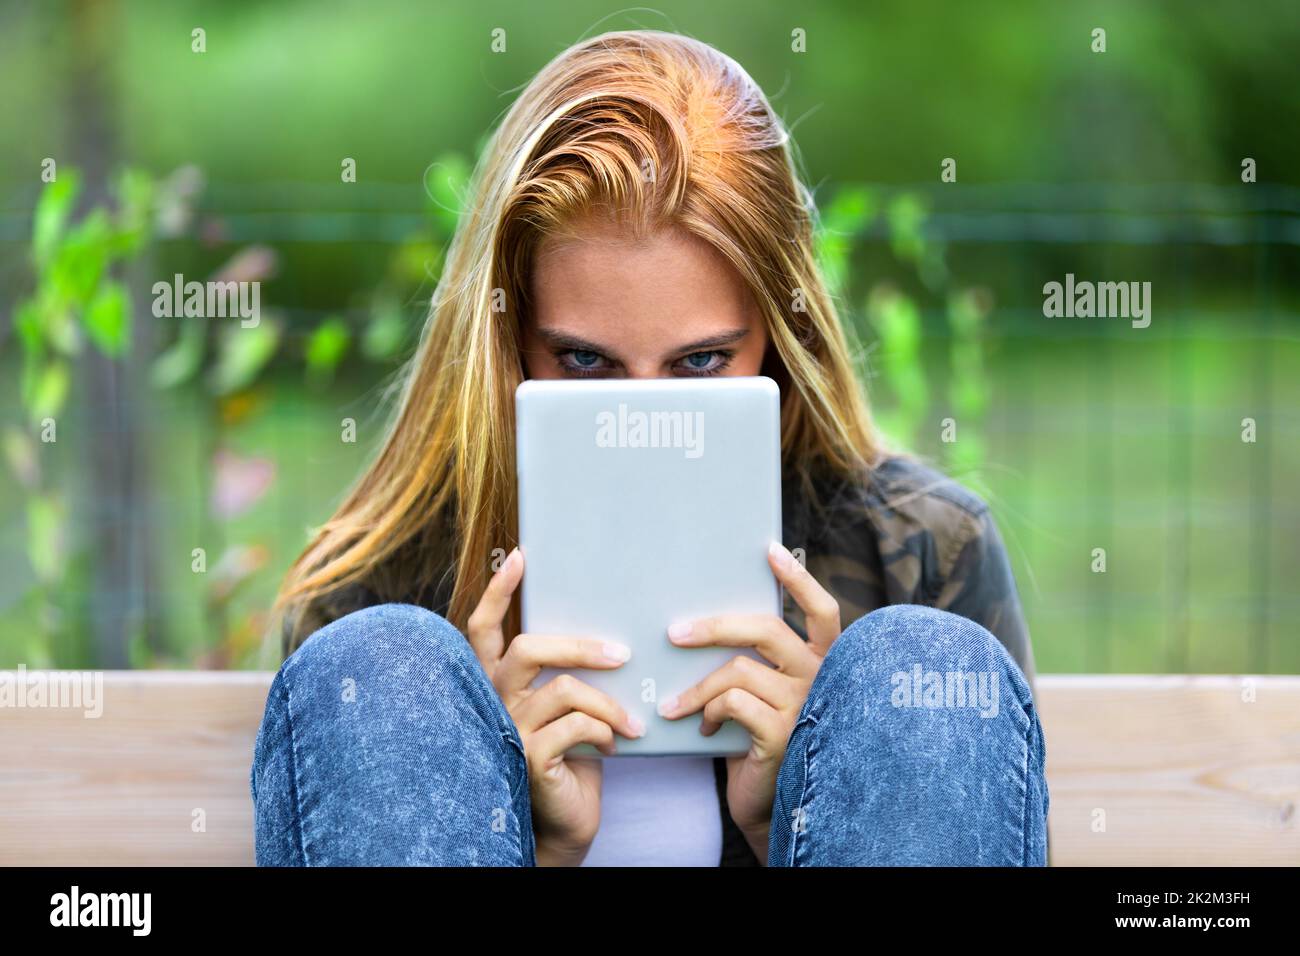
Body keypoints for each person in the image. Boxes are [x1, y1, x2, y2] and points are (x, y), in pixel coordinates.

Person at [250, 29, 1049, 867]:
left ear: (777, 341)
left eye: (701, 362)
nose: (644, 419)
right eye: (584, 362)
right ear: (507, 343)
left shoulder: (920, 556)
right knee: (382, 670)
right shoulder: (382, 590)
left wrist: (800, 820)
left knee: (922, 669)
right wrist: (520, 834)